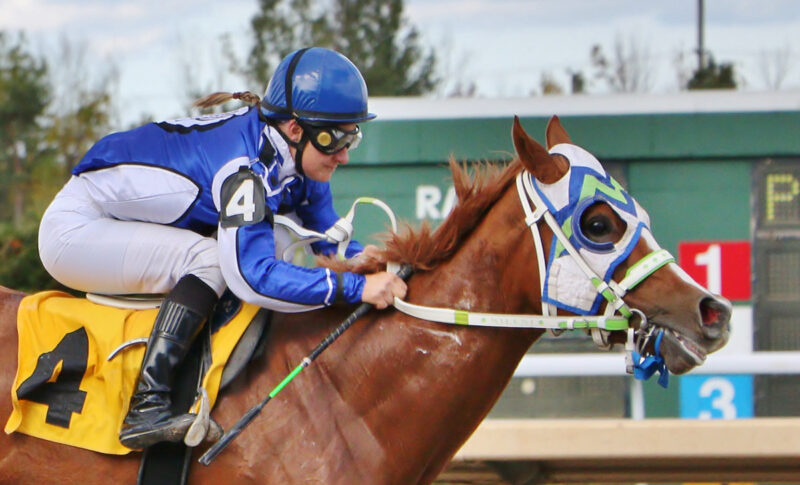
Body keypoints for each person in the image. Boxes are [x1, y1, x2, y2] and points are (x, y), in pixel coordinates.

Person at [37, 47, 407, 450]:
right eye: (336, 138)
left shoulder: (295, 153)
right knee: (212, 261)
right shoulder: (244, 170)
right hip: (78, 229)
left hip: (121, 219)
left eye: (352, 134)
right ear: (295, 129)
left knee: (276, 242)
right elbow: (251, 277)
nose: (345, 154)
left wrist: (372, 267)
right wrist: (354, 289)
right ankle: (147, 405)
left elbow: (331, 235)